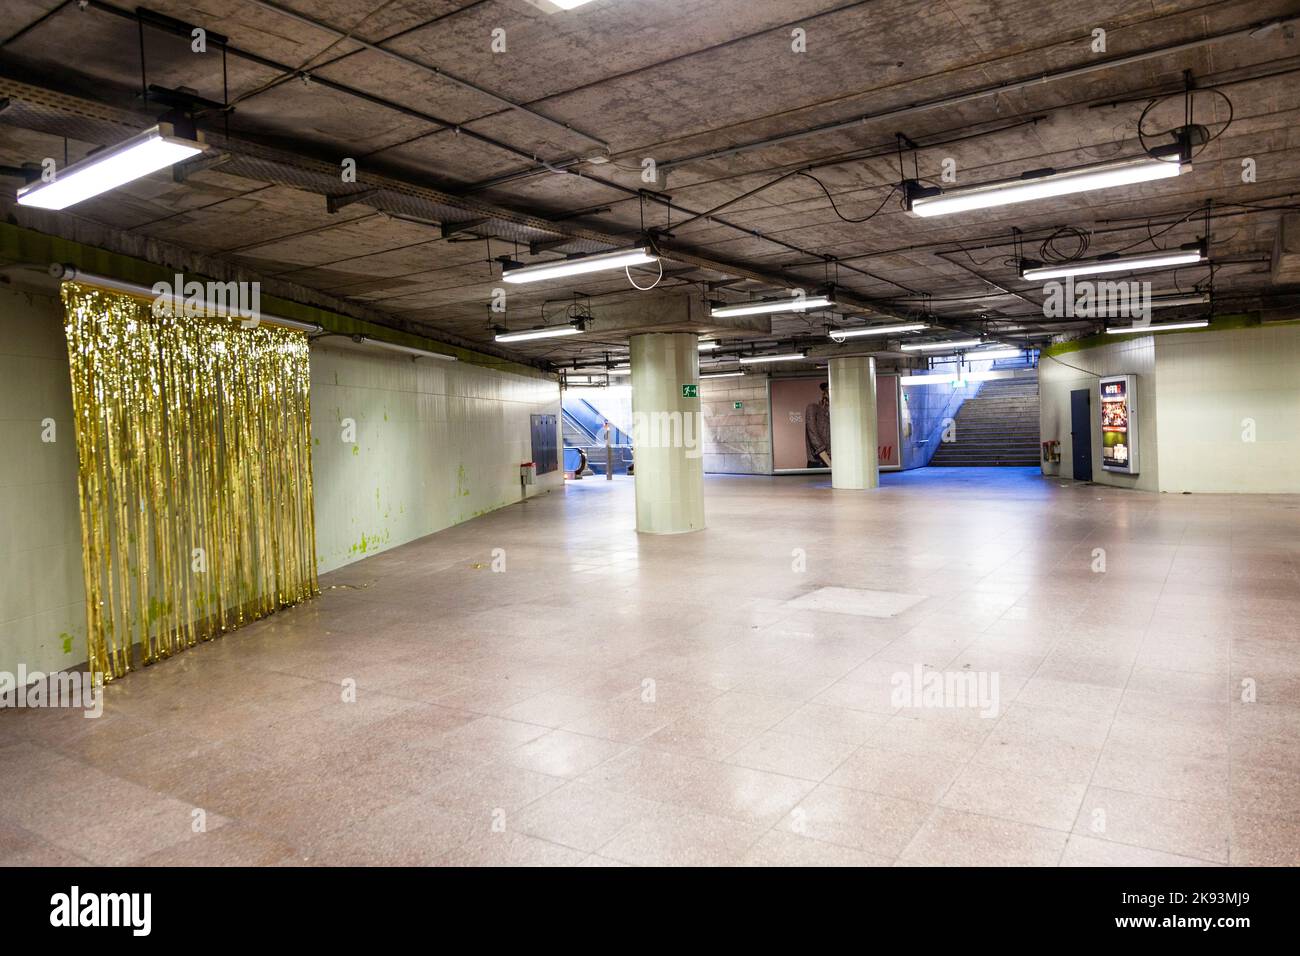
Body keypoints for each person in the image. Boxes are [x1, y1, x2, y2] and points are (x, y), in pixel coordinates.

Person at [805, 382, 831, 468]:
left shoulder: (838, 415)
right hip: (819, 464)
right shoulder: (813, 409)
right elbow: (814, 439)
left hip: (836, 464)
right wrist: (830, 465)